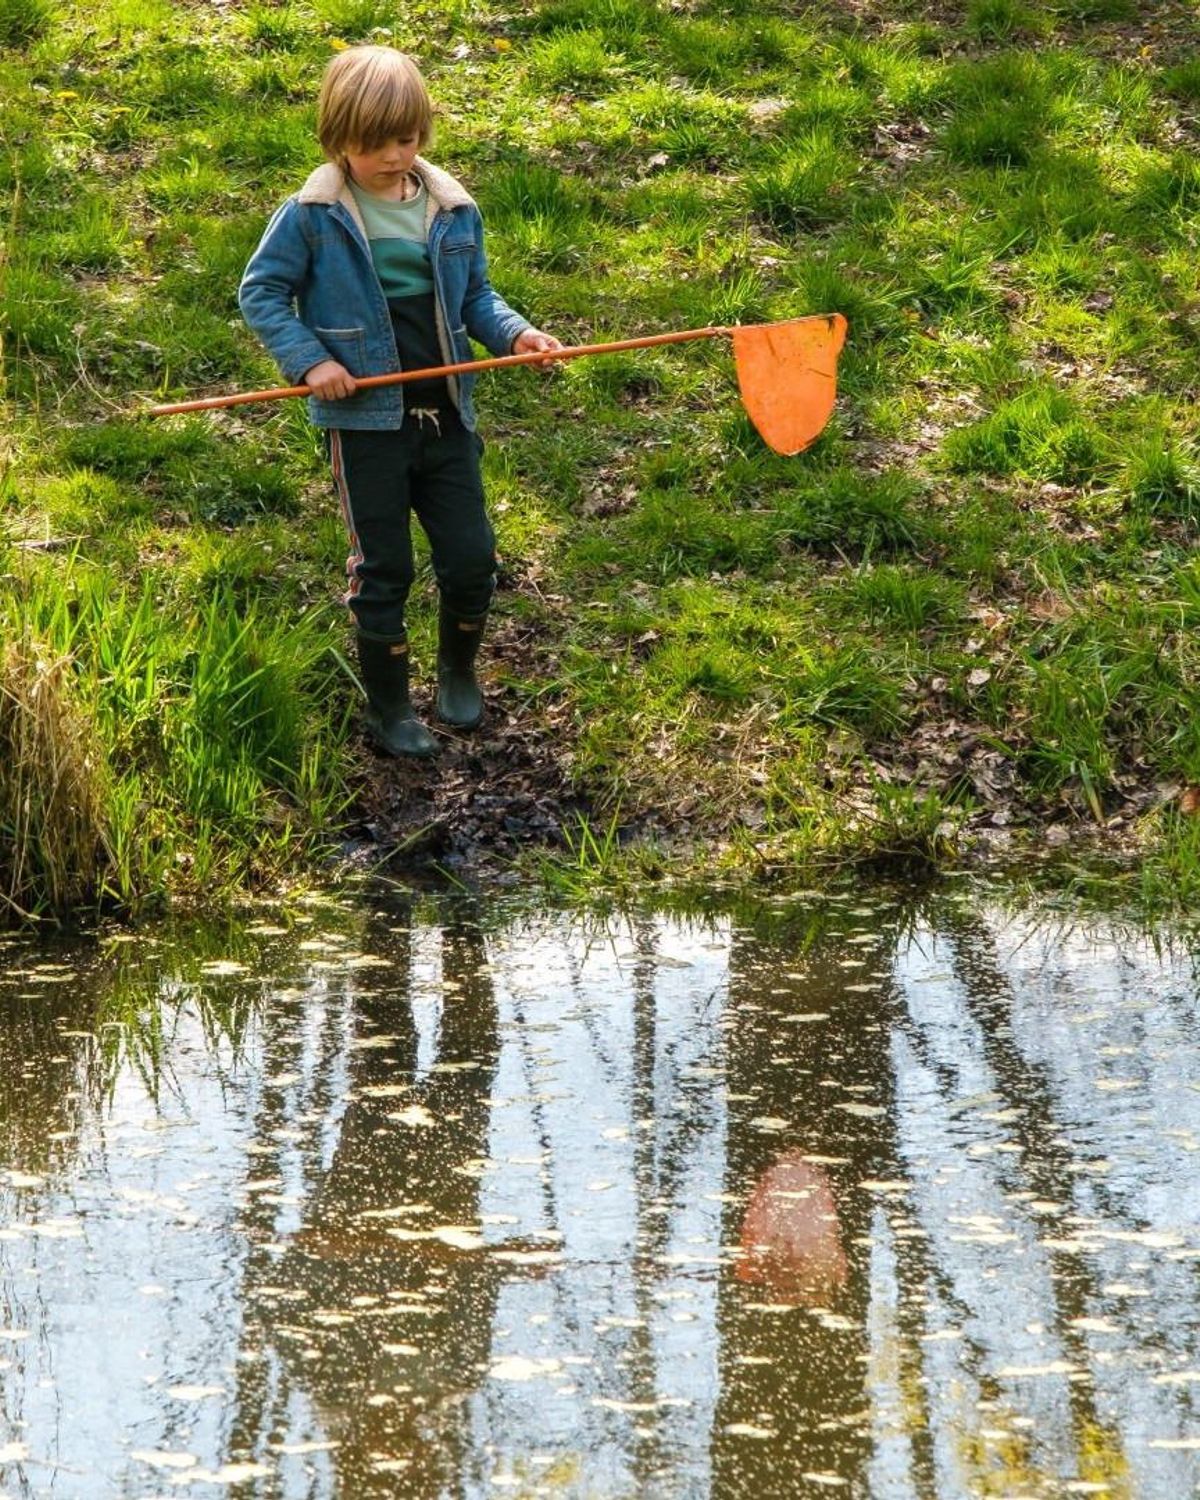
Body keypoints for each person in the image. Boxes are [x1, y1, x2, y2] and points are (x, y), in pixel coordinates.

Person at [238, 45, 561, 756]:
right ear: (335, 139)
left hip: (445, 416)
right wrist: (311, 361)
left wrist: (517, 335)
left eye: (406, 139)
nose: (392, 156)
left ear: (425, 132)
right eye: (371, 144)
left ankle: (457, 674)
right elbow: (261, 292)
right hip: (366, 425)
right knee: (383, 566)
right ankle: (392, 710)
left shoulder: (451, 209)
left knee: (471, 557)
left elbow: (476, 296)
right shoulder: (313, 214)